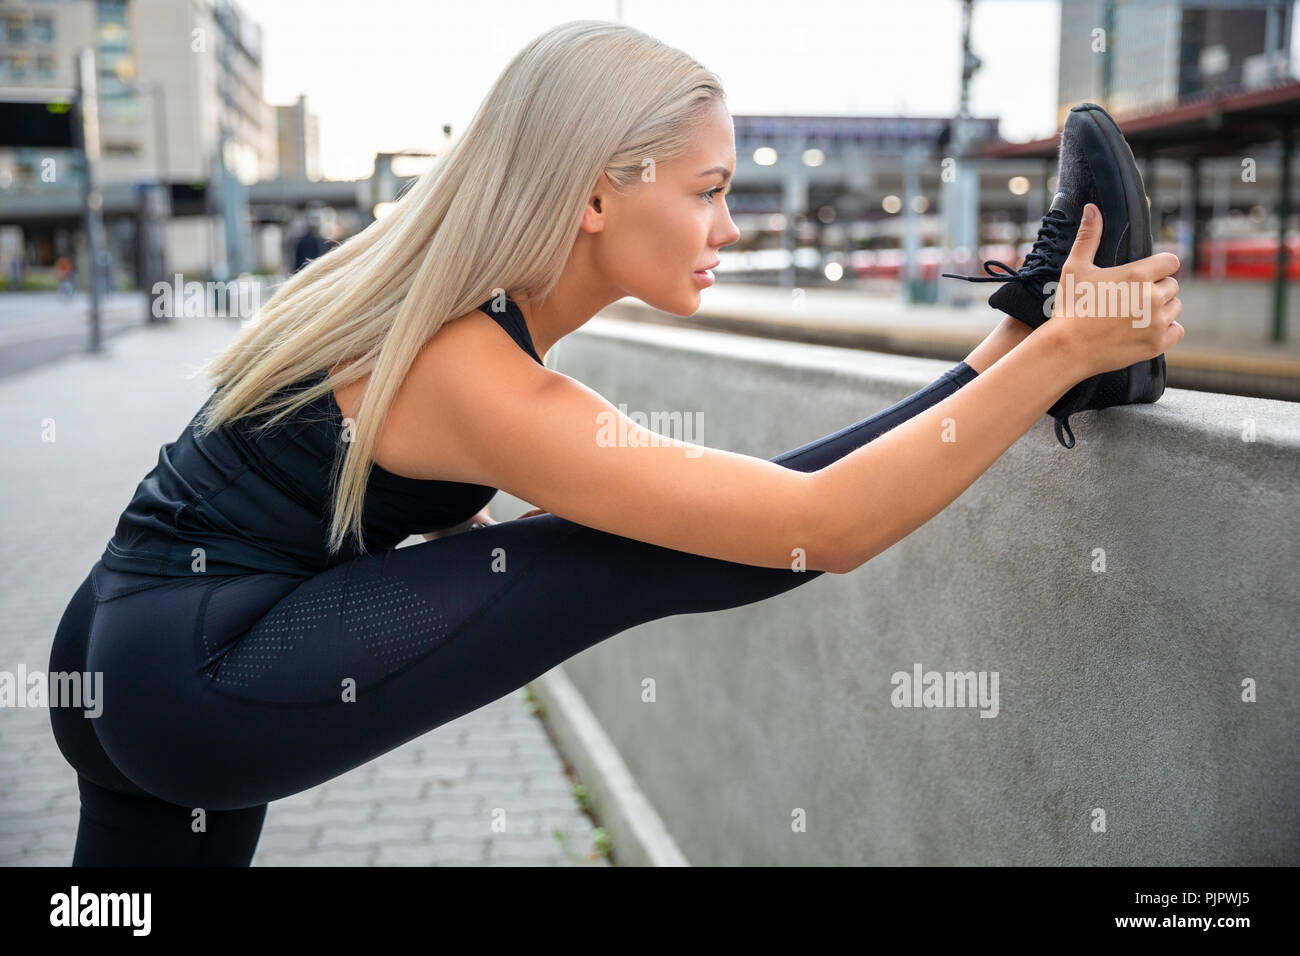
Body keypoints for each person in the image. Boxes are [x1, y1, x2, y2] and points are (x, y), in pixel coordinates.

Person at [46, 20, 1183, 866]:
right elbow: (822, 526)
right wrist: (1053, 356)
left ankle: (1024, 331)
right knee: (603, 547)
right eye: (709, 190)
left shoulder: (439, 321)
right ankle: (1038, 331)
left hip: (114, 646)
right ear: (598, 195)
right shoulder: (475, 373)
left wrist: (1018, 355)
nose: (729, 229)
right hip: (188, 685)